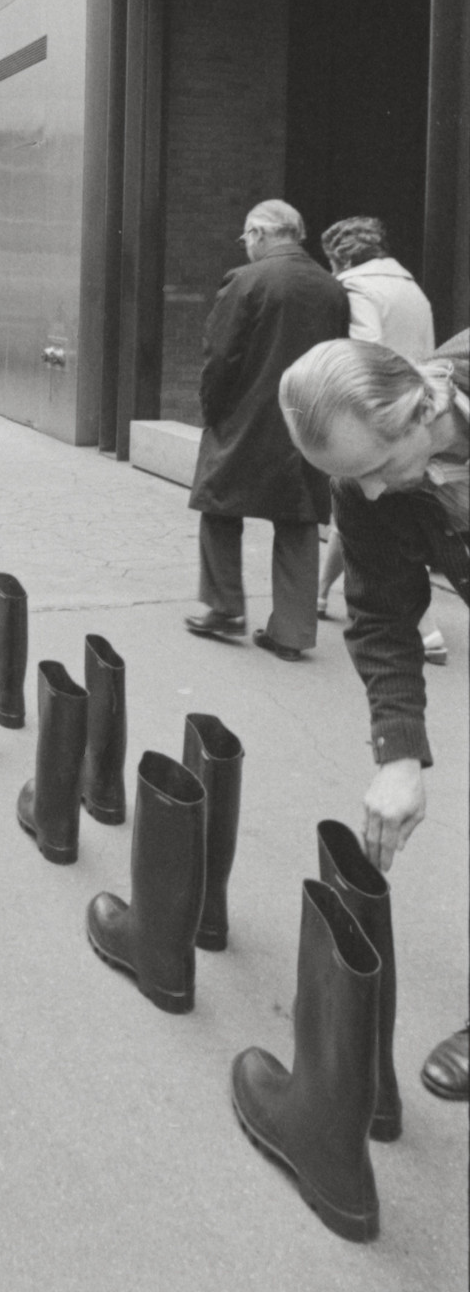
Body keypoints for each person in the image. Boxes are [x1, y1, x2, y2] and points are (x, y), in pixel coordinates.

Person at [280, 330, 469, 1104]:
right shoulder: (369, 483)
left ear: (425, 406)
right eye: (347, 481)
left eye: (378, 469)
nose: (369, 496)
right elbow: (384, 615)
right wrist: (398, 754)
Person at [185, 199, 349, 659]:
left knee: (218, 505)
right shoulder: (331, 289)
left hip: (246, 416)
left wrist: (212, 411)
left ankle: (224, 608)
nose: (247, 246)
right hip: (306, 422)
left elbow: (219, 358)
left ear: (258, 234)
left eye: (246, 238)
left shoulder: (246, 281)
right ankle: (293, 632)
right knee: (298, 519)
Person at [316, 217, 439, 651]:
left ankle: (426, 628)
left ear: (341, 257)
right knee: (351, 510)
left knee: (389, 520)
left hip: (378, 422)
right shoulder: (411, 287)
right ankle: (319, 590)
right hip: (417, 414)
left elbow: (362, 352)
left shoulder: (357, 288)